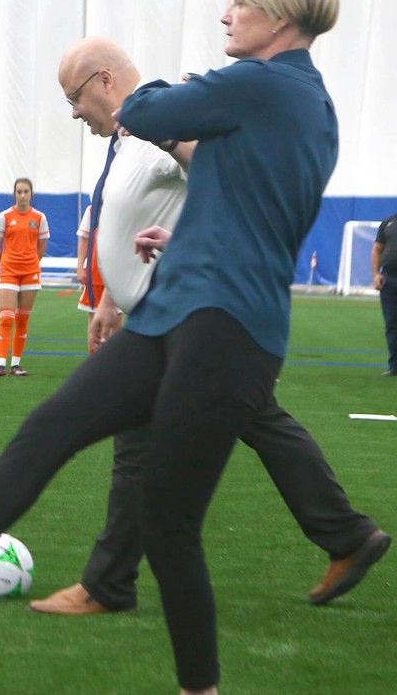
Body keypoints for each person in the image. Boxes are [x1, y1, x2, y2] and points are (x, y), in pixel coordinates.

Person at [0, 0, 390, 694]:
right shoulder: (301, 105)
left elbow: (144, 111)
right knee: (50, 425)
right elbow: (263, 209)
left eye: (238, 4)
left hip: (225, 325)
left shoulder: (263, 83)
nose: (225, 16)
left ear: (278, 17)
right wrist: (191, 240)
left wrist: (114, 79)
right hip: (181, 308)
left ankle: (199, 687)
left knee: (168, 521)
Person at [27, 40, 383, 619]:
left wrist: (180, 143)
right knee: (249, 421)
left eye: (73, 98)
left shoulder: (166, 118)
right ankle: (345, 534)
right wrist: (111, 298)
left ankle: (109, 584)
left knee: (144, 447)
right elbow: (133, 218)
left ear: (101, 81)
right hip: (155, 313)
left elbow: (218, 172)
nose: (72, 113)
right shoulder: (126, 138)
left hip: (184, 317)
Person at [0, 177, 49, 377]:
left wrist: (30, 264)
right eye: (19, 192)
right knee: (6, 318)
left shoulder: (39, 218)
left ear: (32, 194)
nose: (22, 195)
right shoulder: (4, 217)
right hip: (8, 272)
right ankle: (0, 364)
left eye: (26, 192)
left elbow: (41, 248)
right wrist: (6, 264)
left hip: (30, 273)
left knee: (22, 319)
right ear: (14, 194)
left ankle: (16, 364)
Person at [371, 213, 397, 376]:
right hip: (389, 279)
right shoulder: (389, 222)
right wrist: (376, 274)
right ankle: (395, 365)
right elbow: (377, 249)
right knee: (392, 324)